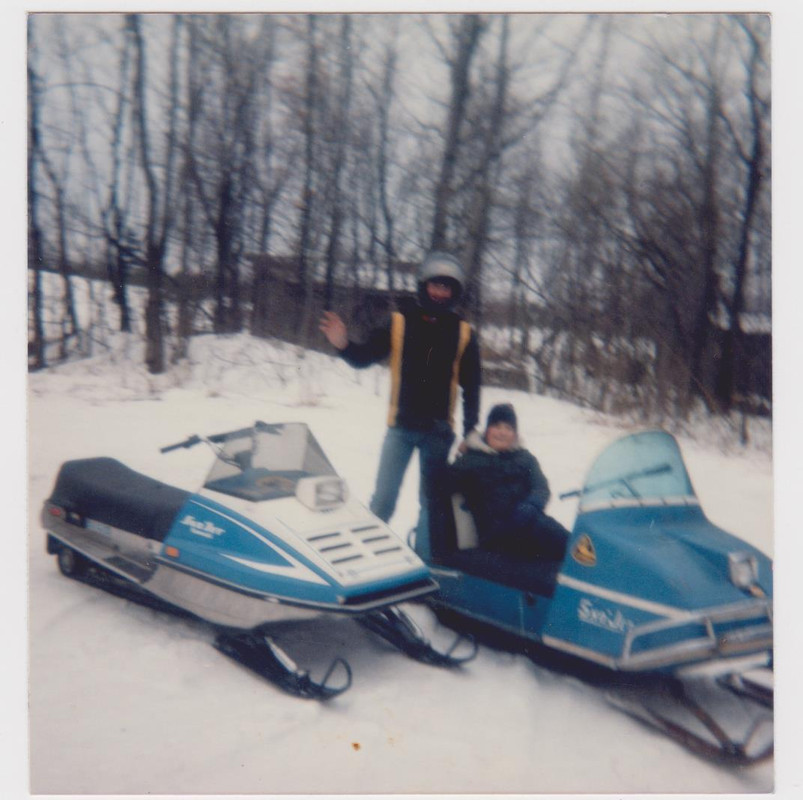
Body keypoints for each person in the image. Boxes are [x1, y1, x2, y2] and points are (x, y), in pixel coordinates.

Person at [319, 252, 481, 527]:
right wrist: (343, 344)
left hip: (439, 433)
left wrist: (470, 431)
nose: (440, 293)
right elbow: (364, 357)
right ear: (423, 285)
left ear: (455, 293)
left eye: (447, 287)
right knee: (383, 500)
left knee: (432, 505)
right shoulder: (399, 322)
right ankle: (370, 555)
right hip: (401, 429)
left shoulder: (464, 332)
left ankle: (428, 561)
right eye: (436, 285)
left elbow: (472, 387)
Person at [446, 403, 569, 560]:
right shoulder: (470, 460)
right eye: (497, 426)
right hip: (496, 535)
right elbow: (441, 487)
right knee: (554, 537)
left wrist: (531, 505)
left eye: (508, 428)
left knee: (569, 543)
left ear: (515, 434)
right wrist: (453, 453)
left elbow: (541, 488)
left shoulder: (525, 457)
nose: (502, 432)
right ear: (487, 430)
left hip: (529, 524)